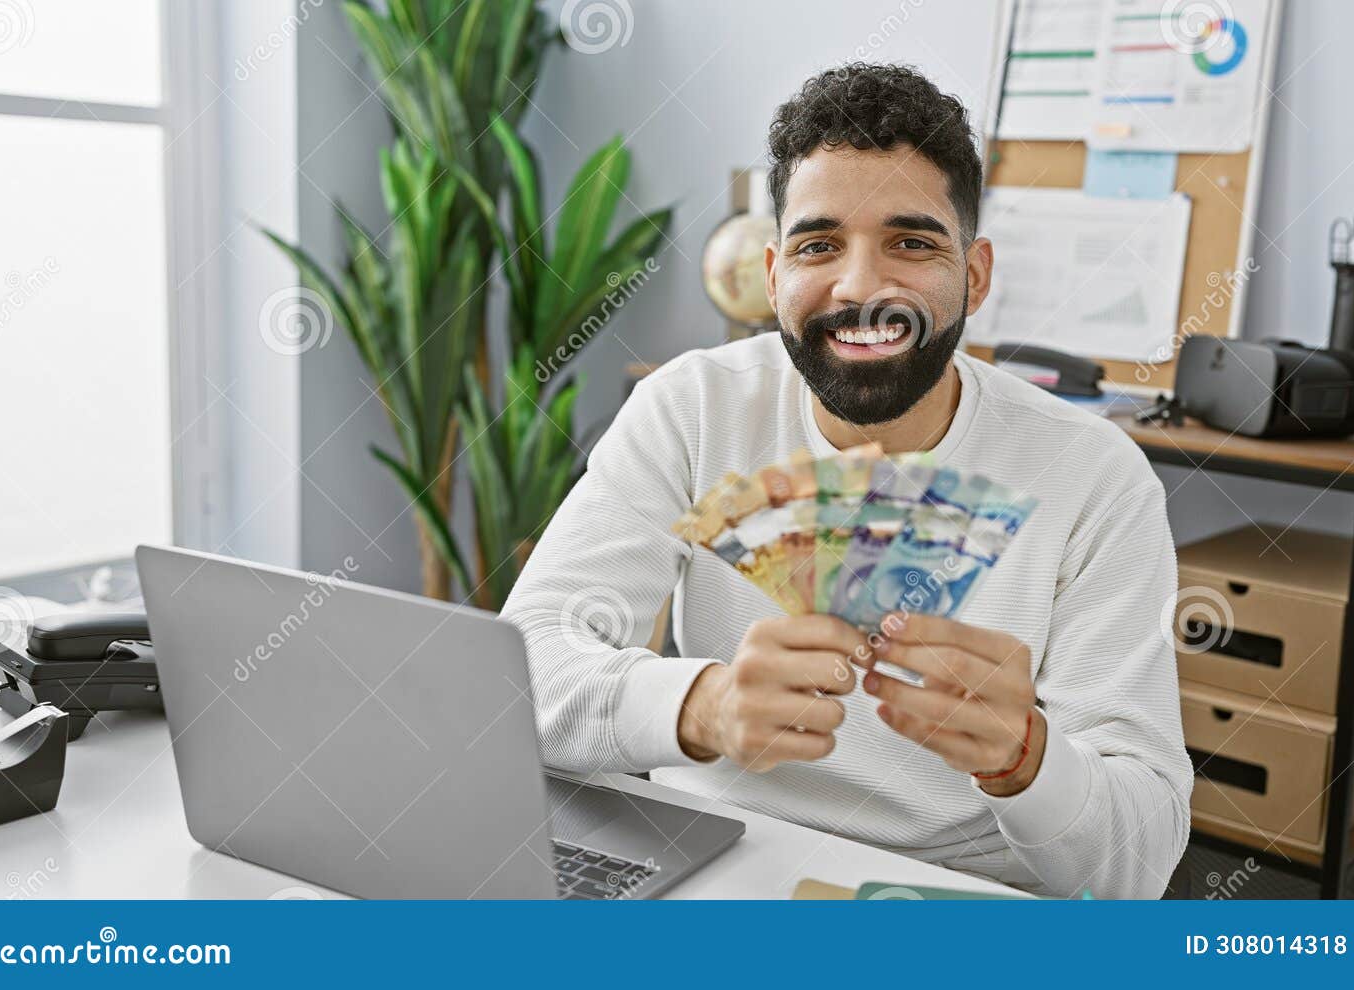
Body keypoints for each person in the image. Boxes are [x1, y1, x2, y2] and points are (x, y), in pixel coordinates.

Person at [500, 63, 1191, 899]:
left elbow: (1140, 864)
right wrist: (705, 706)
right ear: (773, 273)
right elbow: (520, 675)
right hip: (712, 864)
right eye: (819, 245)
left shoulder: (1096, 474)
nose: (861, 288)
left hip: (939, 895)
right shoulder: (688, 407)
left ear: (974, 275)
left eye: (912, 242)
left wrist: (1027, 759)